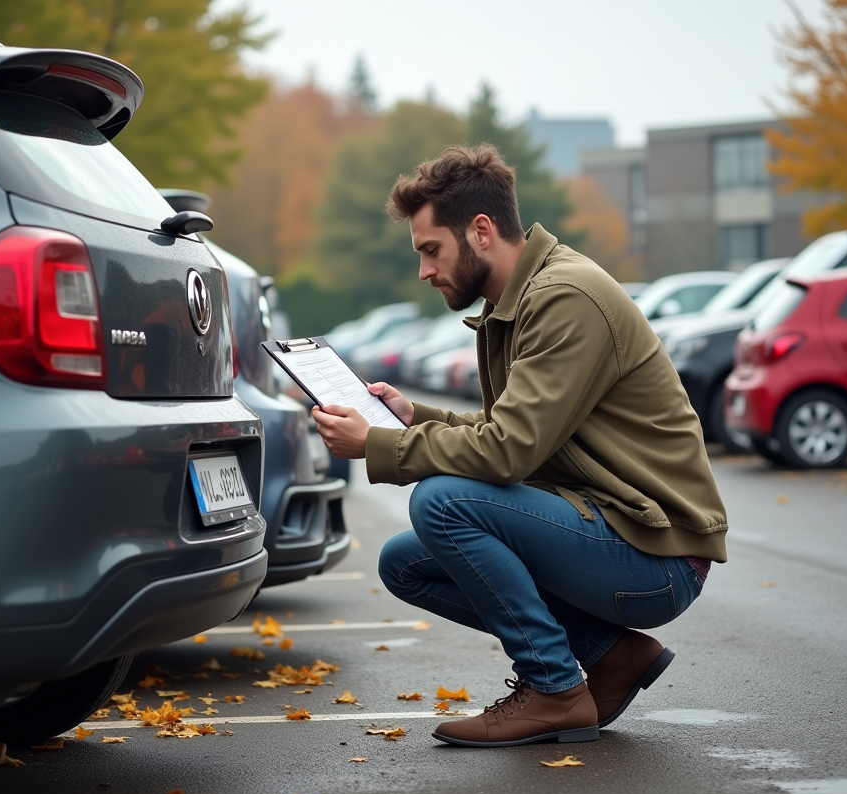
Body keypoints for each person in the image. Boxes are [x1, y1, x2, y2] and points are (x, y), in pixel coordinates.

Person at [311, 144, 727, 747]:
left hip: (657, 552)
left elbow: (509, 452)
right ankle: (612, 658)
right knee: (405, 561)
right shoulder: (523, 299)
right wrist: (410, 419)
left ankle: (555, 691)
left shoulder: (566, 297)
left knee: (442, 503)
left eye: (432, 250)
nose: (425, 271)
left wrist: (379, 445)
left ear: (481, 231)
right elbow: (515, 430)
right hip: (610, 527)